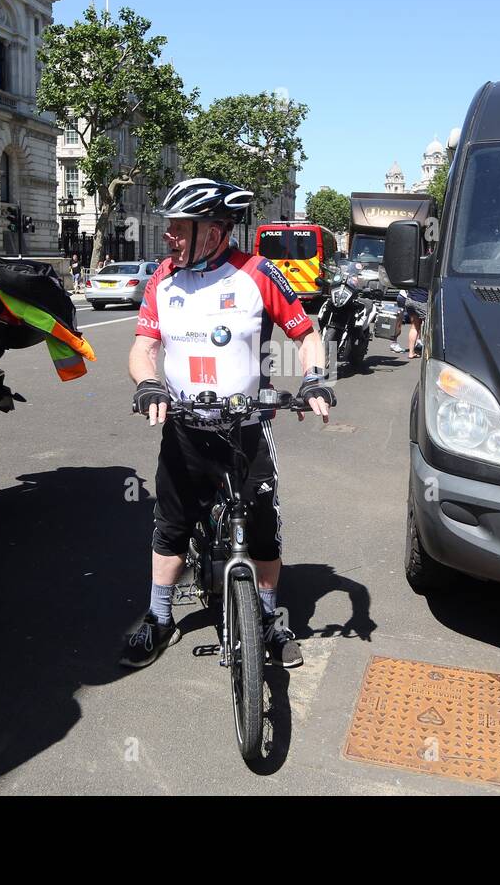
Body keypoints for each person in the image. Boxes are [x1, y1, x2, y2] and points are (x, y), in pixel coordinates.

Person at [124, 178, 335, 669]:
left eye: (181, 227)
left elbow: (305, 335)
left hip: (246, 428)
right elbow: (144, 347)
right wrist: (148, 383)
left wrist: (316, 380)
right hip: (183, 426)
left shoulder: (258, 273)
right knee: (171, 527)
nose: (169, 236)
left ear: (216, 231)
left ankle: (264, 619)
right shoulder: (162, 278)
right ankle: (158, 618)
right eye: (170, 226)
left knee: (262, 533)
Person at [389, 286, 427, 358]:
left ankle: (411, 353)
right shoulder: (428, 278)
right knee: (429, 327)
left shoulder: (415, 277)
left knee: (414, 327)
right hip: (422, 301)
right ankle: (428, 352)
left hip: (410, 300)